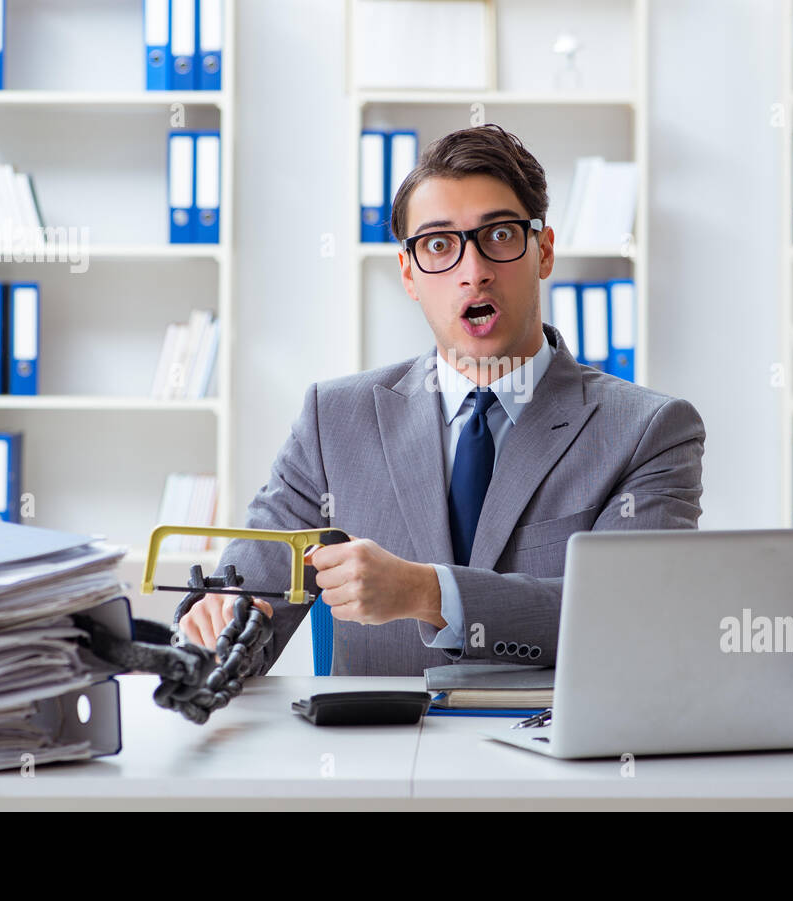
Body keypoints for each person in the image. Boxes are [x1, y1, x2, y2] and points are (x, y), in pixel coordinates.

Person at [178, 123, 705, 675]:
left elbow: (631, 619)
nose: (473, 273)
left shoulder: (649, 430)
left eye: (499, 236)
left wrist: (428, 592)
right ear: (408, 273)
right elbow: (244, 611)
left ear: (543, 252)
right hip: (375, 754)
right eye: (438, 245)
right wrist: (221, 623)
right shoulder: (332, 421)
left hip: (552, 754)